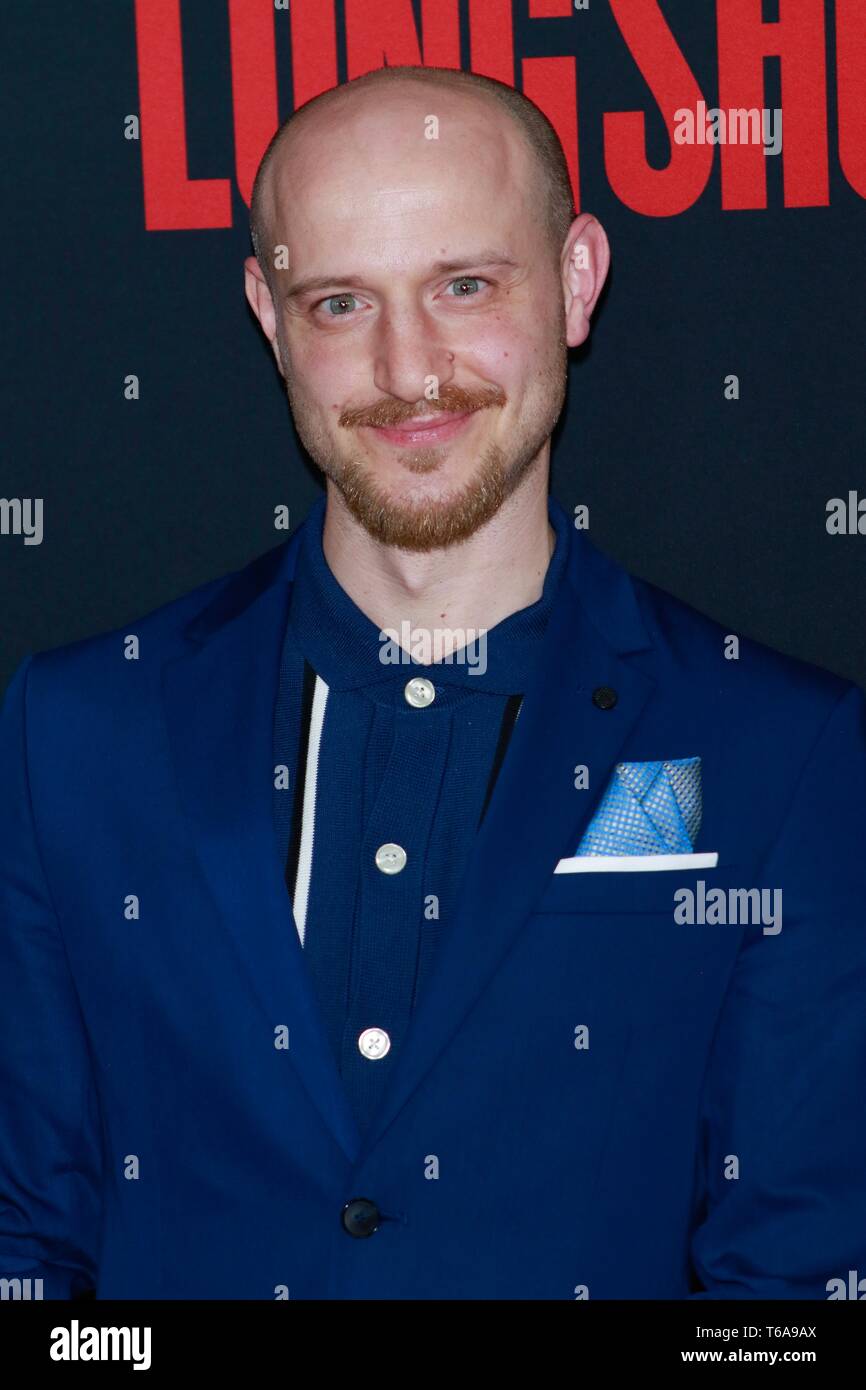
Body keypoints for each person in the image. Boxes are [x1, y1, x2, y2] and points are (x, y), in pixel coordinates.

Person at [1, 64, 864, 1301]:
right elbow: (25, 1240)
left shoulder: (778, 753)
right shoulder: (75, 733)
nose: (409, 370)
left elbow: (793, 1289)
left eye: (463, 285)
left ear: (574, 281)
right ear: (267, 314)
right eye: (341, 301)